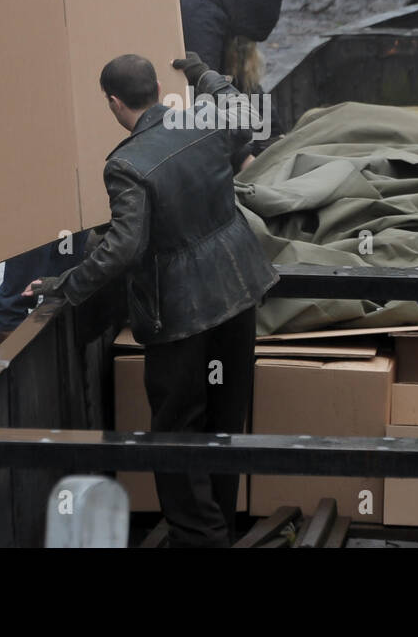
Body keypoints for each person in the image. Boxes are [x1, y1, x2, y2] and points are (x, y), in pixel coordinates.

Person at [25, 53, 278, 548]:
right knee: (224, 421)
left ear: (115, 104)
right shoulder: (205, 124)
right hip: (238, 291)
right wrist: (205, 75)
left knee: (175, 430)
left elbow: (124, 246)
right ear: (160, 87)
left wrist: (66, 285)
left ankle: (199, 539)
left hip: (182, 314)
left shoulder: (127, 164)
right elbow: (248, 117)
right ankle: (218, 529)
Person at [0, 0, 131, 349]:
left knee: (74, 215)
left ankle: (43, 313)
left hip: (75, 108)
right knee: (43, 217)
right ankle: (7, 322)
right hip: (41, 111)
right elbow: (36, 39)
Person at [177, 0, 287, 169]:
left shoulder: (226, 3)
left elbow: (245, 80)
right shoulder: (202, 23)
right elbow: (203, 102)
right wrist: (243, 158)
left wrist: (274, 132)